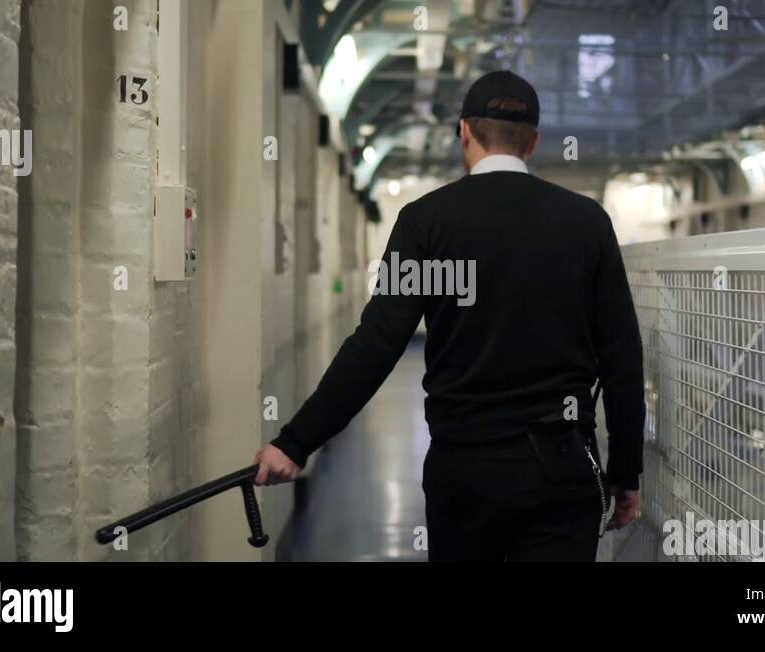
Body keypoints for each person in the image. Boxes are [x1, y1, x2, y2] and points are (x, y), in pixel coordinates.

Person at [253, 70, 644, 561]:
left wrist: (296, 441)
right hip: (561, 470)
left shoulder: (427, 222)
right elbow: (622, 358)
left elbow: (376, 344)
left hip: (464, 469)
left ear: (463, 131)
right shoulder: (586, 223)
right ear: (534, 141)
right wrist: (626, 472)